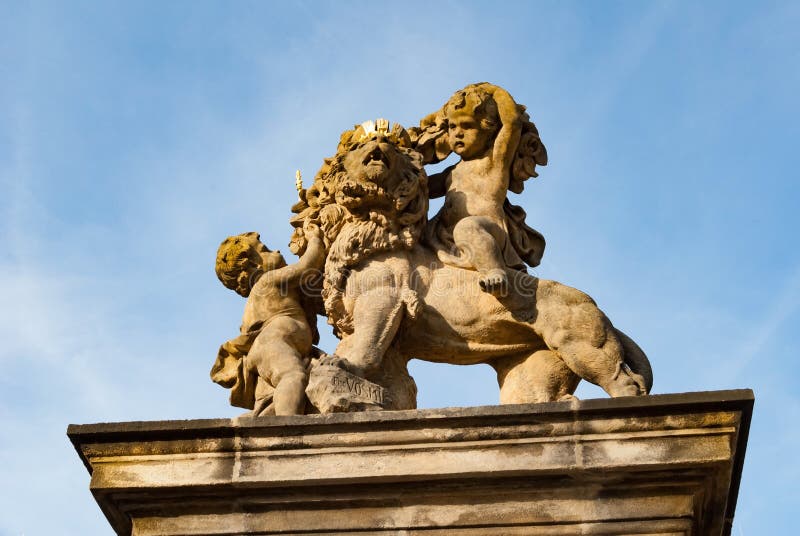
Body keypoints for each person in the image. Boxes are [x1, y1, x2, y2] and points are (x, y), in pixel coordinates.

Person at [426, 83, 545, 296]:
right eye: (453, 127)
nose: (458, 134)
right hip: (445, 237)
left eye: (467, 126)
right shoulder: (452, 173)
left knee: (467, 227)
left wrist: (493, 91)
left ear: (488, 130)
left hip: (486, 230)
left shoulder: (495, 161)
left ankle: (494, 272)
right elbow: (420, 187)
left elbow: (513, 122)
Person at [211, 226, 324, 416]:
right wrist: (315, 239)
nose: (277, 251)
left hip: (272, 348)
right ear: (252, 266)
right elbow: (308, 266)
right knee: (292, 376)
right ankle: (288, 430)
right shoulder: (268, 280)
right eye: (266, 250)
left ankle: (267, 416)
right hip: (273, 344)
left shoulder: (262, 296)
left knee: (279, 392)